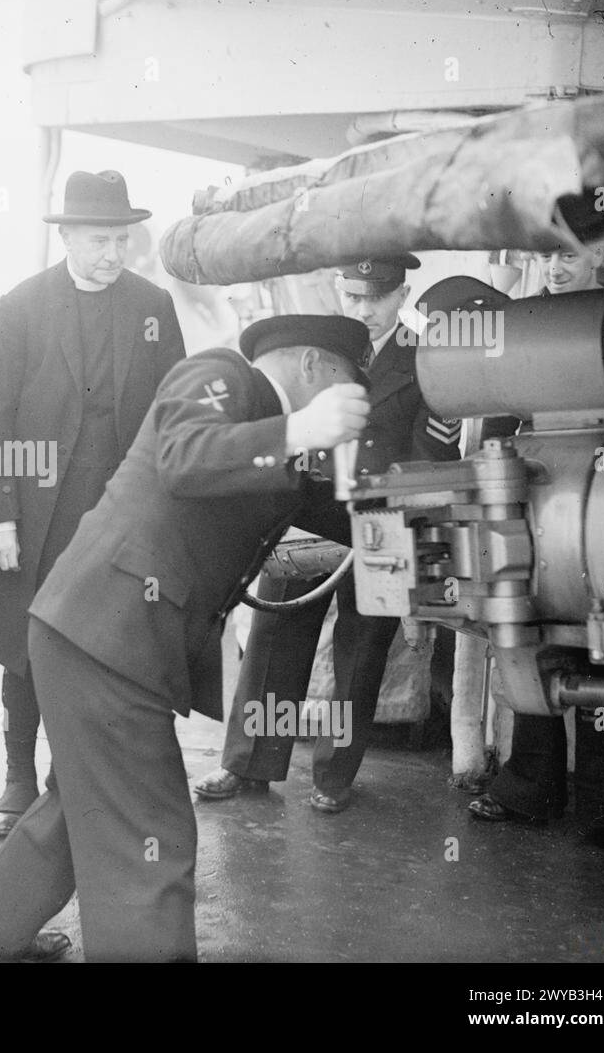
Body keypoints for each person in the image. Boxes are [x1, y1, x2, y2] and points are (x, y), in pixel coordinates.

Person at [0, 315, 373, 962]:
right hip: (108, 639)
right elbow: (183, 456)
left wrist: (398, 512)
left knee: (80, 810)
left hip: (96, 638)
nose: (353, 407)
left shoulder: (273, 440)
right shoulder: (222, 377)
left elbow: (314, 519)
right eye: (348, 385)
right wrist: (300, 430)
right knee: (150, 835)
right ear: (314, 365)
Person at [193, 254, 462, 813]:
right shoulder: (318, 345)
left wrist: (414, 536)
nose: (363, 309)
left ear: (402, 293)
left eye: (376, 297)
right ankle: (246, 763)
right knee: (274, 634)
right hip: (309, 508)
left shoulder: (429, 358)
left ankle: (335, 776)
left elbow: (434, 456)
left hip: (385, 522)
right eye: (353, 295)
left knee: (361, 653)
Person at [0, 170, 185, 837]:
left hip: (119, 510)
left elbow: (174, 412)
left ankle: (78, 782)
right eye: (100, 240)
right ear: (68, 235)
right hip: (39, 512)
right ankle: (16, 774)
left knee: (105, 644)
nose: (113, 253)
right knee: (25, 643)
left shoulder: (153, 305)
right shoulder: (23, 305)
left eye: (122, 238)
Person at [467, 250, 604, 851]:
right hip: (535, 494)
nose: (555, 266)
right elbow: (495, 413)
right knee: (526, 639)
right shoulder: (523, 322)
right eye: (543, 255)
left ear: (603, 254)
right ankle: (530, 788)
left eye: (567, 253)